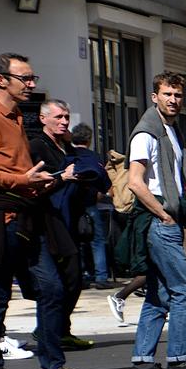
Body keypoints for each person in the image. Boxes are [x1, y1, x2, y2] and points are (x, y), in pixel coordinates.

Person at [0, 52, 97, 369]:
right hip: (2, 217)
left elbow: (22, 169)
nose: (32, 84)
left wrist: (45, 181)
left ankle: (53, 368)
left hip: (30, 216)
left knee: (52, 289)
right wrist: (24, 181)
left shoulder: (19, 118)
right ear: (1, 80)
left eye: (32, 77)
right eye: (25, 78)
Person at [126, 72, 186, 369]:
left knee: (159, 293)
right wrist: (162, 214)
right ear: (154, 97)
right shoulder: (146, 134)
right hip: (160, 223)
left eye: (177, 95)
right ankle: (178, 360)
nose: (173, 100)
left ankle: (143, 358)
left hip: (168, 220)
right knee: (185, 289)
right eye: (167, 94)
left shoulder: (170, 131)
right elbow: (135, 182)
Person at [28, 99, 97, 351]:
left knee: (73, 279)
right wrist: (63, 177)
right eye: (58, 117)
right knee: (56, 283)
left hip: (69, 218)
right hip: (45, 222)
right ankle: (47, 333)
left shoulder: (66, 145)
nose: (64, 121)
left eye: (66, 117)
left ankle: (60, 329)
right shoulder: (37, 146)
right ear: (43, 118)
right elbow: (33, 183)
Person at [71, 123, 113, 288]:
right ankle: (101, 277)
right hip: (91, 204)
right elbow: (105, 182)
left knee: (76, 241)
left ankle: (80, 276)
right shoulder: (94, 157)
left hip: (73, 206)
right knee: (97, 241)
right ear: (89, 140)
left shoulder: (69, 155)